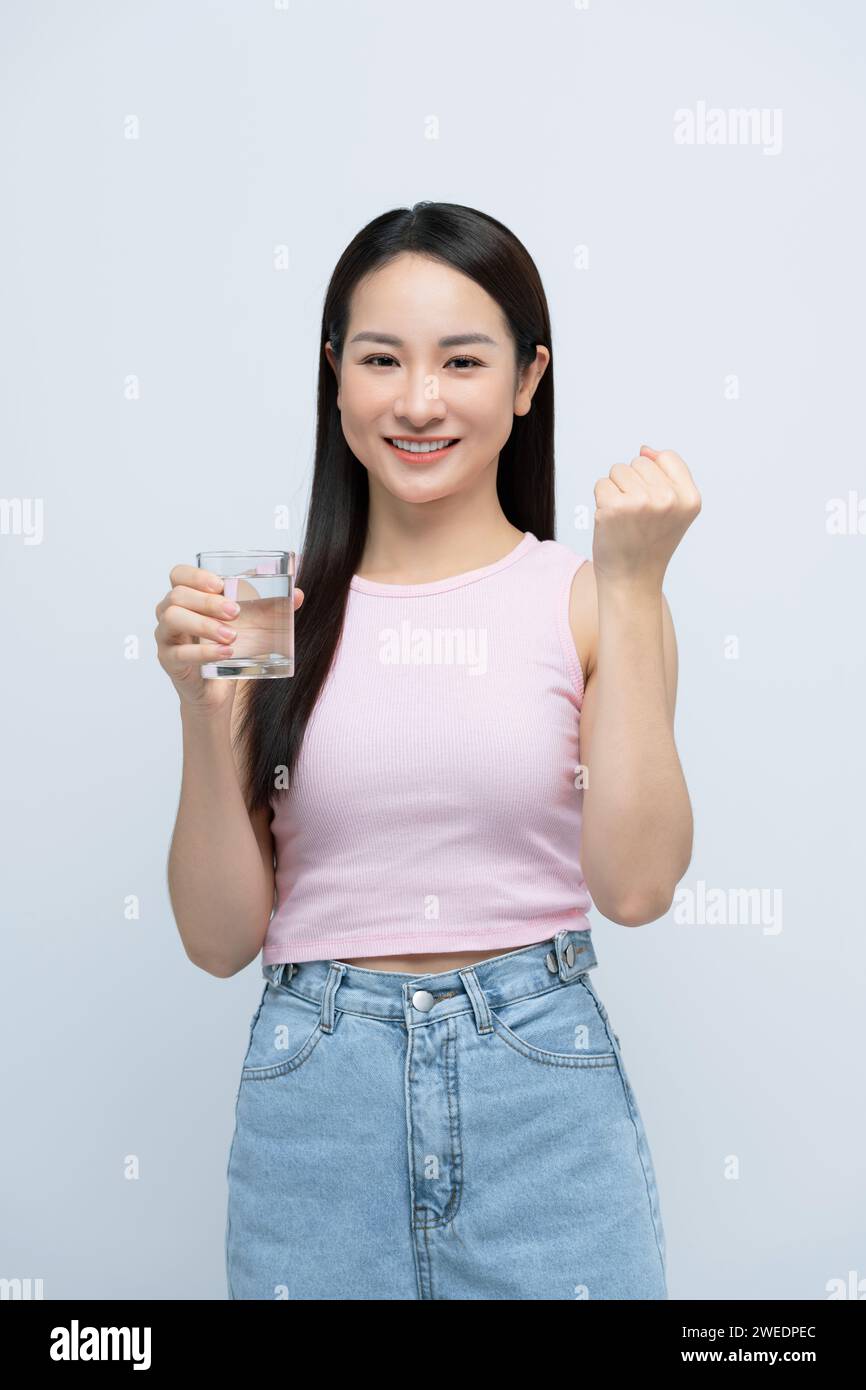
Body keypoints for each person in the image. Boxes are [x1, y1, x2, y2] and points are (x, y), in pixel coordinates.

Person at [154, 201, 700, 1301]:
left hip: (539, 1091)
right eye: (379, 359)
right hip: (314, 1100)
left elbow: (635, 887)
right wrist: (196, 711)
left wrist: (637, 584)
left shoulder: (592, 598)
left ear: (524, 380)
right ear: (335, 376)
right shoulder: (268, 610)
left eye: (461, 360)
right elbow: (219, 942)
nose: (416, 400)